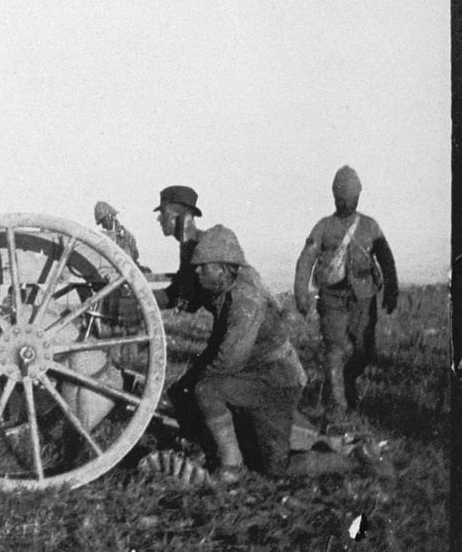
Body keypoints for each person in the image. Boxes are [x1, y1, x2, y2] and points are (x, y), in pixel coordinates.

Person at [169, 225, 390, 484]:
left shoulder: (245, 300)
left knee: (276, 467)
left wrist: (196, 380)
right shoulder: (225, 285)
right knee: (192, 389)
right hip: (257, 376)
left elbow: (230, 359)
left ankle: (354, 461)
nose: (197, 271)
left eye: (202, 266)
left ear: (222, 267)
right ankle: (216, 452)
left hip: (276, 382)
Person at [293, 165, 398, 423]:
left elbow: (386, 258)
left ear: (358, 196)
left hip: (364, 297)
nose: (344, 200)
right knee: (334, 349)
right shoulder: (324, 227)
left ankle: (347, 380)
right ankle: (338, 404)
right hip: (332, 298)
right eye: (340, 196)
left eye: (349, 196)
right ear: (333, 196)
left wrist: (391, 290)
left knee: (364, 351)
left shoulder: (370, 227)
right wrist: (301, 294)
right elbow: (306, 259)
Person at [152, 185, 207, 312]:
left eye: (162, 213)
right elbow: (176, 291)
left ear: (175, 217)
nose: (159, 219)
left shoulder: (198, 247)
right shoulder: (187, 246)